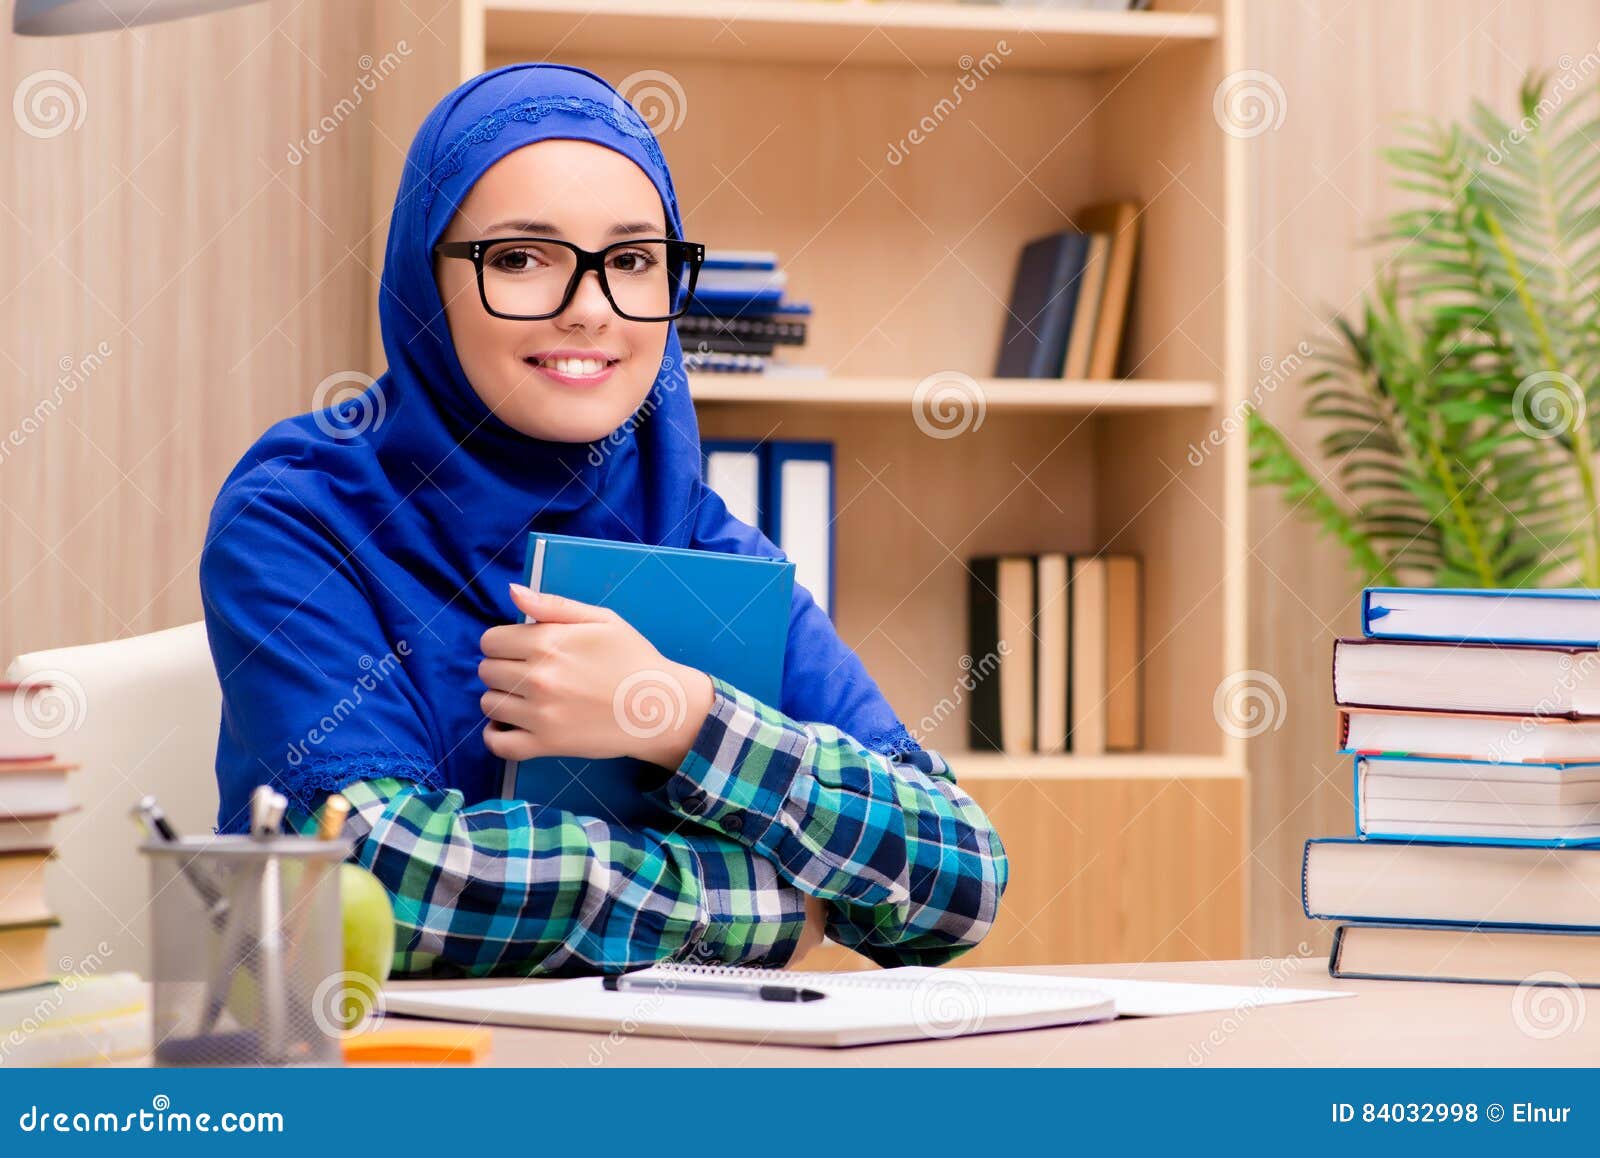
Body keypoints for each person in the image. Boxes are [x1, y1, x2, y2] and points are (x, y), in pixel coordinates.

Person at [200, 63, 1007, 978]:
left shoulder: (694, 532)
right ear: (426, 277)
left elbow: (960, 881)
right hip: (382, 1054)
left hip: (677, 1060)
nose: (590, 311)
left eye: (631, 262)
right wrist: (772, 909)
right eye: (520, 258)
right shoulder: (298, 517)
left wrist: (680, 718)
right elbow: (383, 878)